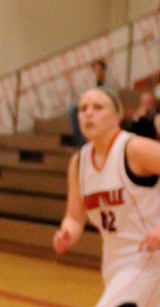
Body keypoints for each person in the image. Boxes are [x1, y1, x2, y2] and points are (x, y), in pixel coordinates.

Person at [54, 87, 160, 307]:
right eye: (83, 109)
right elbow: (74, 217)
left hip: (150, 259)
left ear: (116, 117)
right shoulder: (78, 162)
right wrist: (67, 234)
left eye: (98, 107)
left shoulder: (134, 148)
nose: (88, 113)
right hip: (115, 264)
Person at [70, 59, 116, 147]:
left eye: (98, 69)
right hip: (92, 106)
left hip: (102, 109)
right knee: (73, 110)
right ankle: (80, 141)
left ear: (103, 70)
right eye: (94, 69)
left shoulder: (111, 84)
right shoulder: (92, 83)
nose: (96, 72)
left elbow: (111, 100)